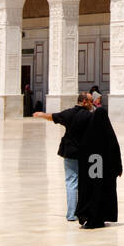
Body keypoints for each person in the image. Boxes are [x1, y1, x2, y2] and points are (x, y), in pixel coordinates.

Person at [33, 92, 93, 221]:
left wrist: (40, 114)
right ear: (83, 102)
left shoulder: (69, 113)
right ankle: (83, 211)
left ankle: (72, 214)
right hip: (84, 154)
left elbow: (52, 117)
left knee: (71, 182)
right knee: (84, 183)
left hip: (70, 152)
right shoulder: (89, 116)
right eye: (90, 101)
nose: (91, 104)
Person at [76, 104, 123, 229]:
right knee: (104, 193)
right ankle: (100, 217)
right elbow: (115, 152)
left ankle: (90, 217)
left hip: (91, 174)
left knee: (90, 193)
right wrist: (118, 168)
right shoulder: (109, 135)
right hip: (105, 174)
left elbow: (81, 154)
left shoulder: (87, 135)